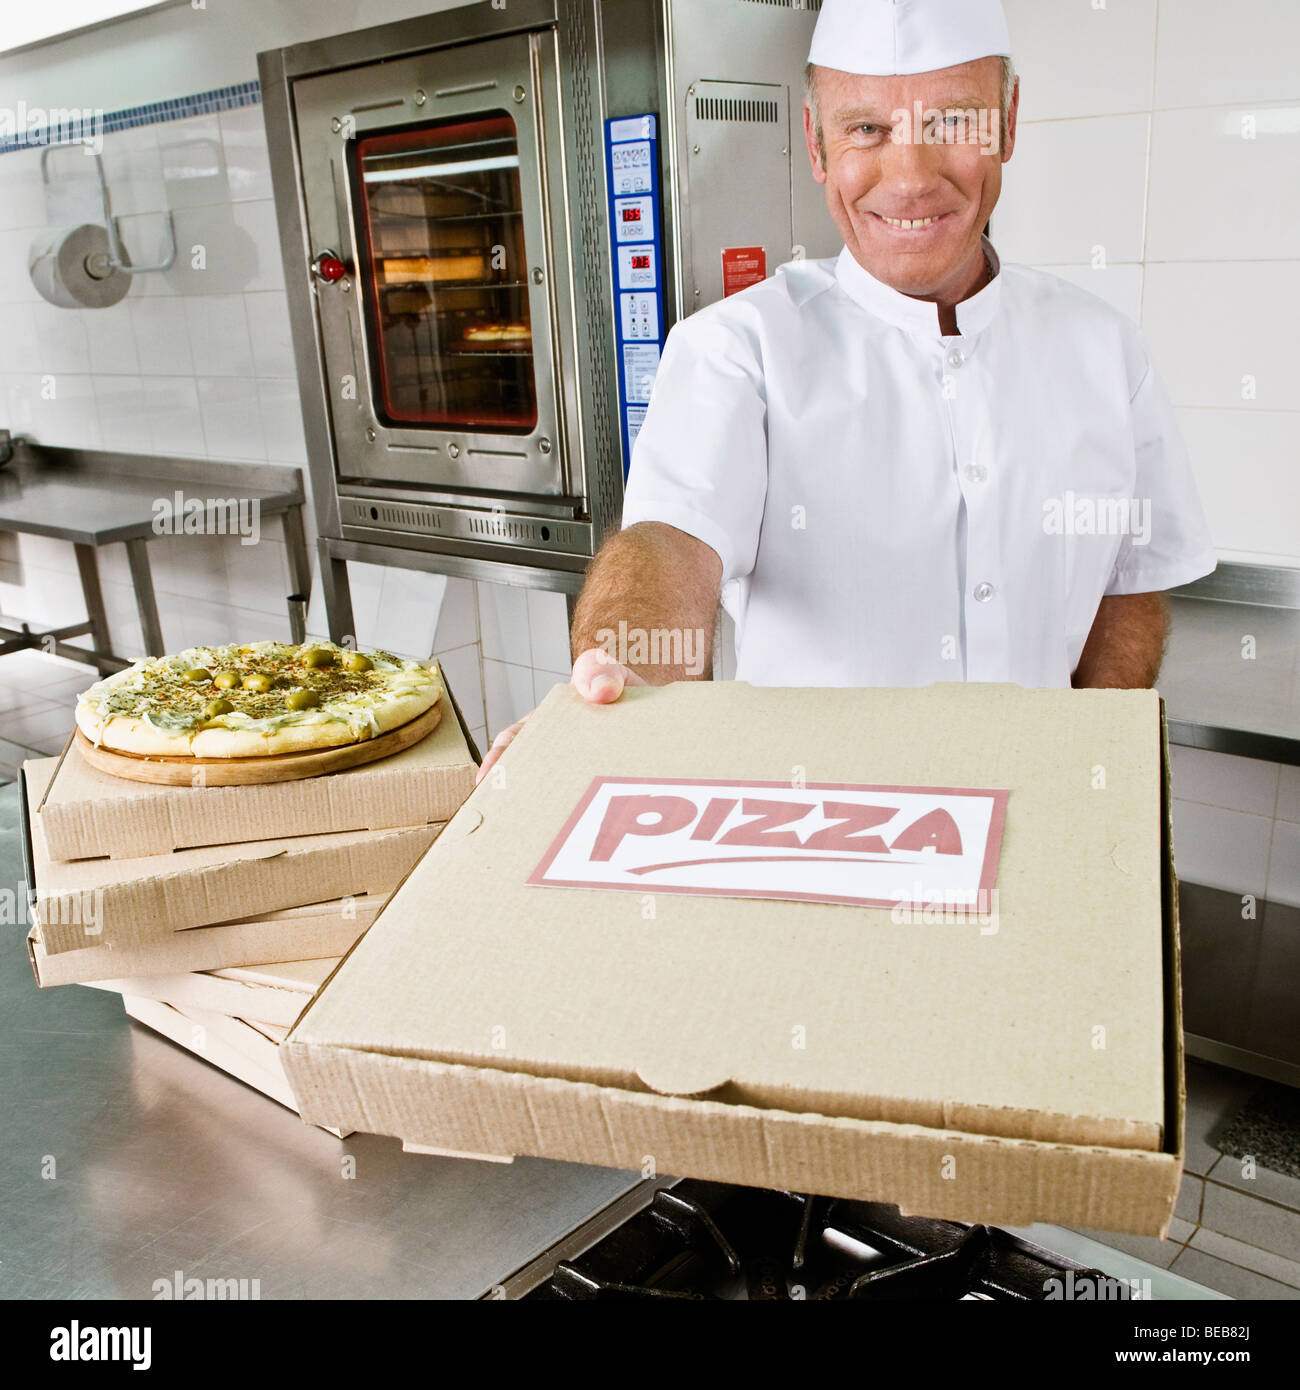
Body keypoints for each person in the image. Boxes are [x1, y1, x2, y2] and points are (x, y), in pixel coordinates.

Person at [477, 0, 1216, 784]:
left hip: (1043, 822)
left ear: (1008, 120)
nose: (910, 179)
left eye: (955, 124)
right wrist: (622, 679)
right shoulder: (737, 351)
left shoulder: (1103, 349)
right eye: (867, 129)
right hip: (816, 841)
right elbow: (669, 548)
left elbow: (1131, 582)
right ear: (815, 142)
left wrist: (1088, 766)